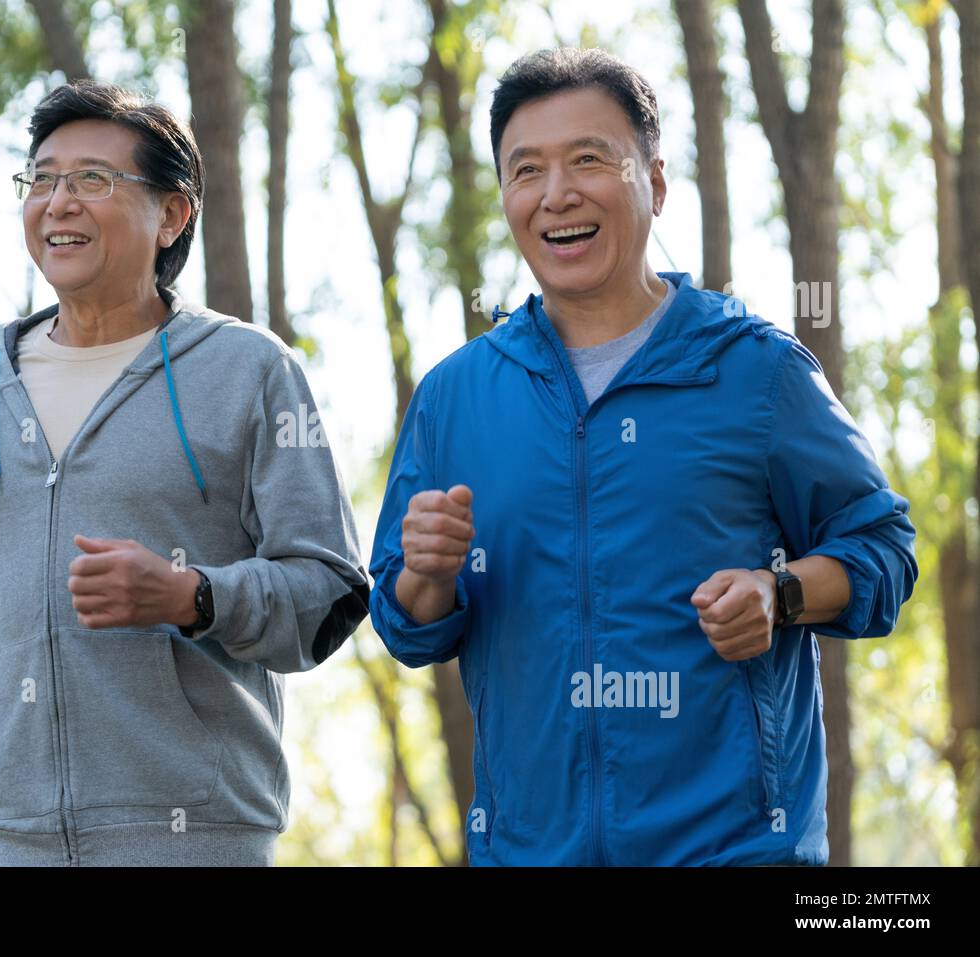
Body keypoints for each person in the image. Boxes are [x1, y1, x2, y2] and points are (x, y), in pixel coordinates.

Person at [368, 48, 918, 866]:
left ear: (654, 183)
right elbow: (405, 624)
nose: (557, 193)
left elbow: (884, 550)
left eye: (589, 159)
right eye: (528, 170)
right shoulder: (456, 396)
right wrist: (428, 574)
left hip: (732, 851)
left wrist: (783, 589)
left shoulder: (756, 370)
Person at [0, 80, 369, 866]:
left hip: (194, 842)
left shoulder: (251, 372)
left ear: (173, 213)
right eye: (41, 179)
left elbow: (330, 591)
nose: (59, 202)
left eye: (92, 179)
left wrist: (194, 596)